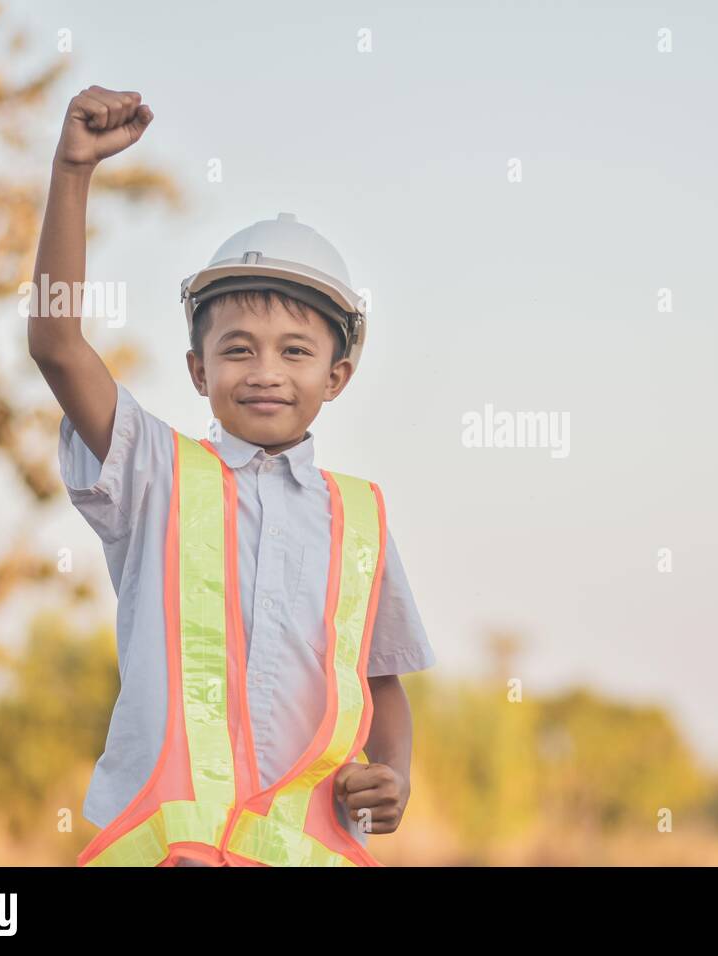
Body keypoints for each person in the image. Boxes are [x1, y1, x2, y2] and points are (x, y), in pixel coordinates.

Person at [27, 85, 435, 866]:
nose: (265, 372)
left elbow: (381, 681)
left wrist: (396, 774)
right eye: (238, 348)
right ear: (196, 368)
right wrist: (73, 171)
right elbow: (56, 346)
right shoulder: (154, 472)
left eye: (295, 351)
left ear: (338, 374)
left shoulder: (360, 518)